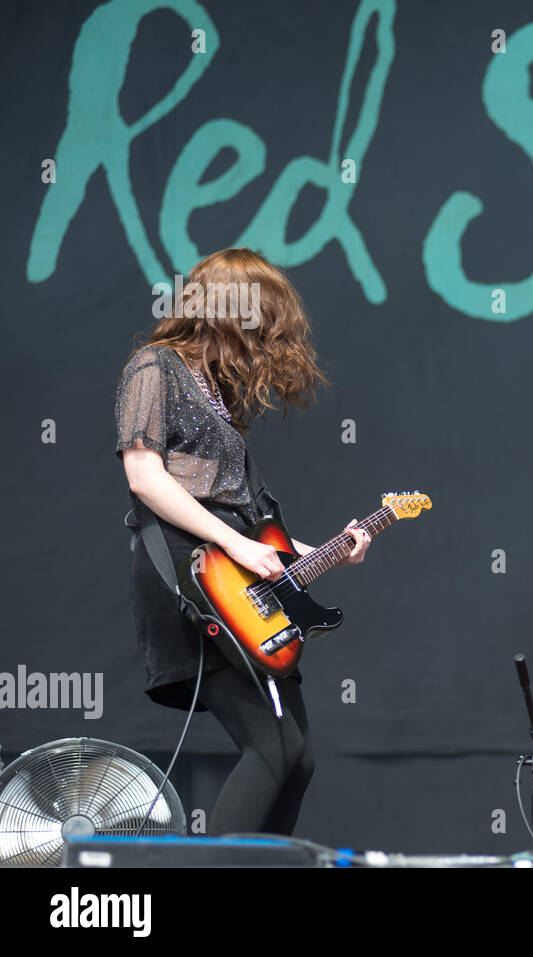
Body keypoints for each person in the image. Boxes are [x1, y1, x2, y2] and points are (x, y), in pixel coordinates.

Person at [115, 247, 370, 836]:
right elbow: (145, 478)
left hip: (233, 573)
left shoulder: (217, 396)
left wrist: (312, 551)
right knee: (273, 751)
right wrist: (237, 545)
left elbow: (246, 519)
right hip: (193, 577)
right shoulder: (153, 368)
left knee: (297, 759)